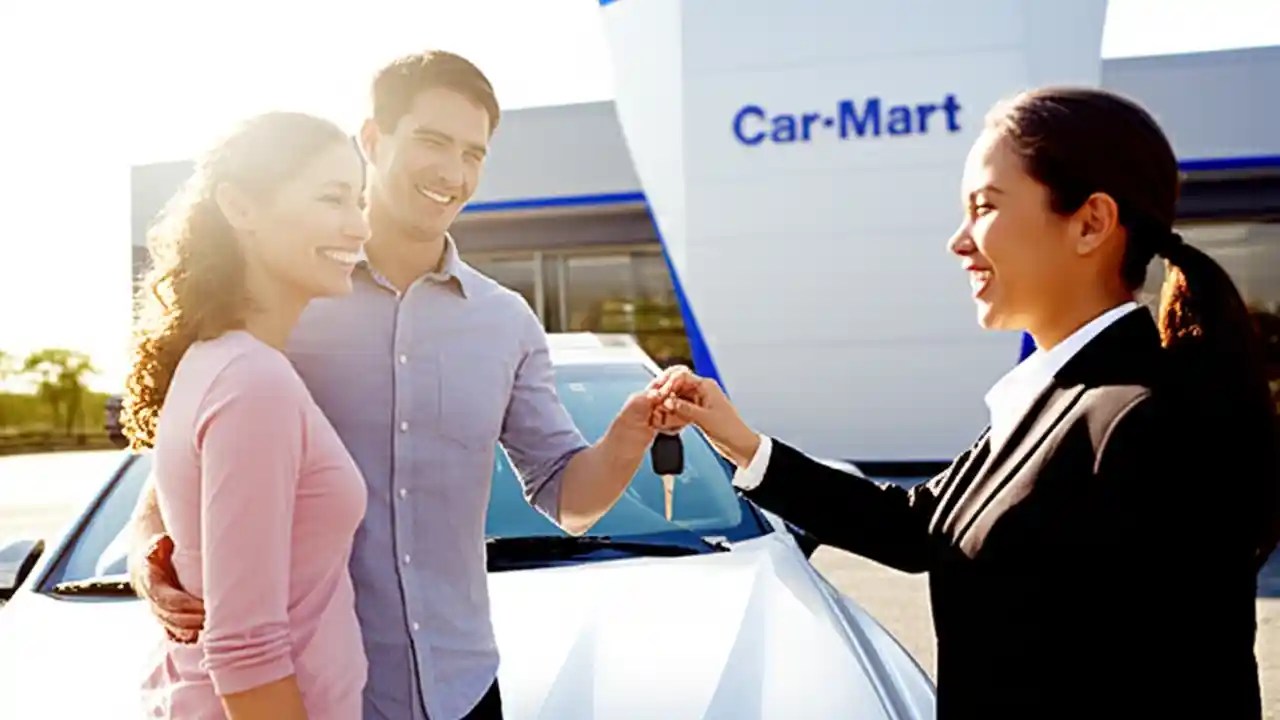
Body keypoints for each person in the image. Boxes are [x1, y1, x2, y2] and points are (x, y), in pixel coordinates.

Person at [651, 87, 1280, 718]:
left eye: (984, 207)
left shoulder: (1141, 422)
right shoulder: (1052, 398)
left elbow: (1196, 686)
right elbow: (918, 526)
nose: (959, 241)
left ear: (1090, 223)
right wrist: (739, 441)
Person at [127, 51, 667, 720]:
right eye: (432, 141)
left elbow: (568, 500)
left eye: (474, 152)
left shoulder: (505, 323)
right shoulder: (289, 296)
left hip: (463, 689)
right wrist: (145, 555)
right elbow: (187, 470)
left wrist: (627, 434)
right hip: (320, 694)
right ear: (374, 140)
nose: (454, 171)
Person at [121, 111, 372, 718]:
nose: (360, 226)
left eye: (360, 200)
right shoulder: (251, 381)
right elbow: (245, 653)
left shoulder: (221, 364)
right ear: (240, 207)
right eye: (332, 198)